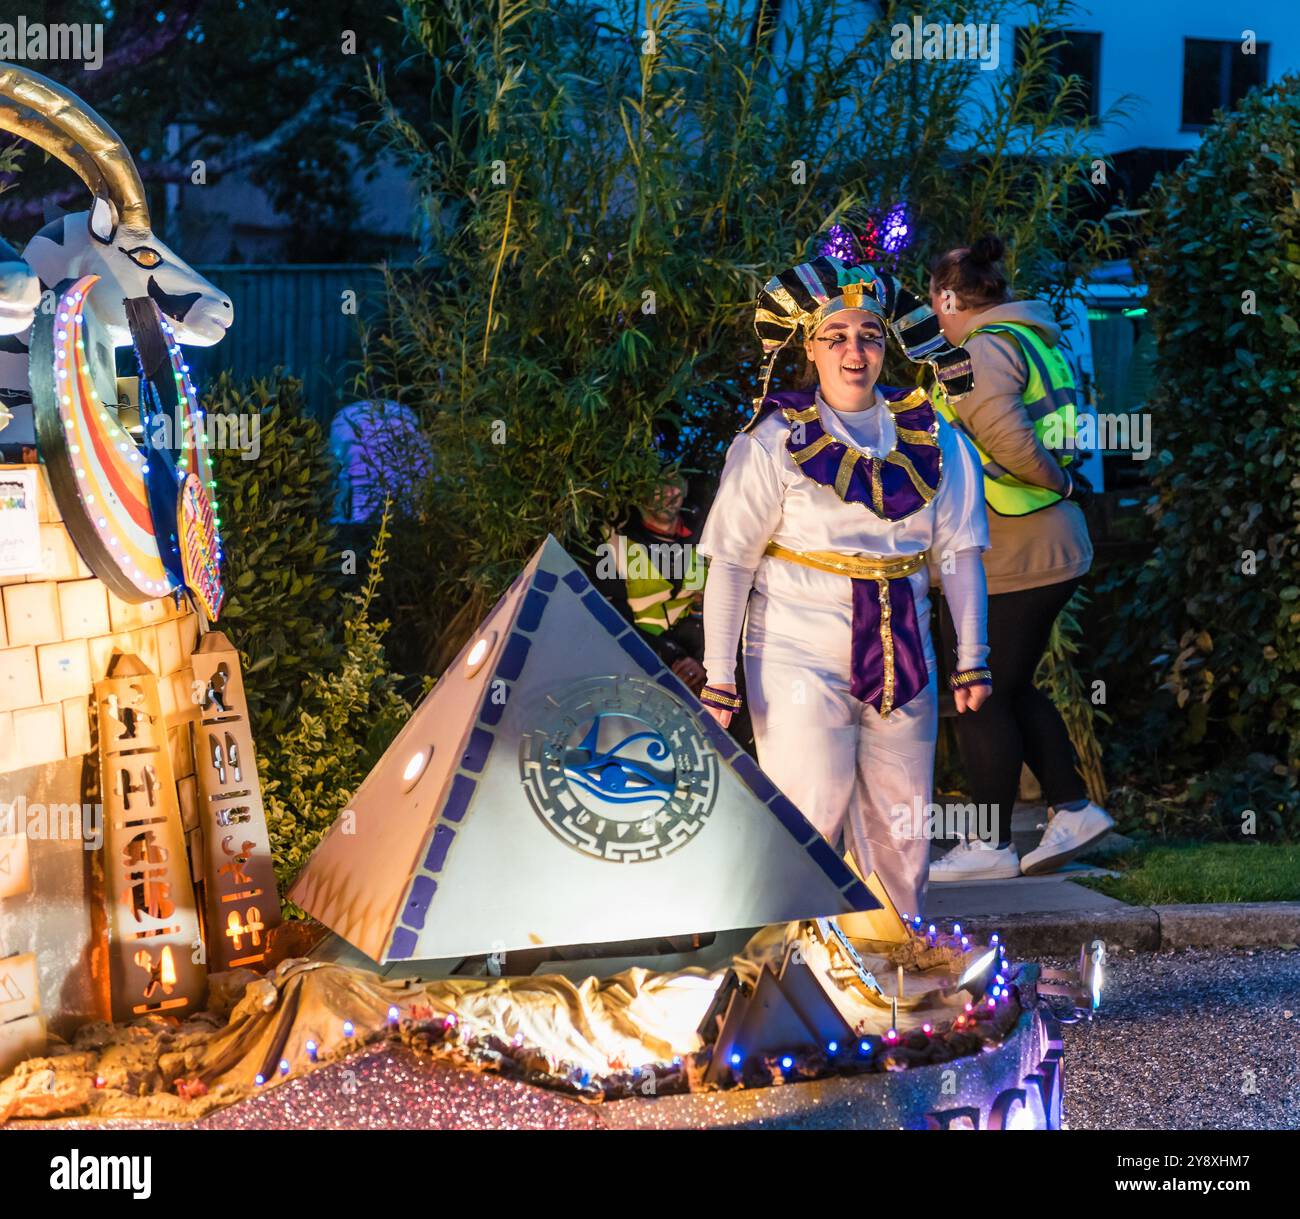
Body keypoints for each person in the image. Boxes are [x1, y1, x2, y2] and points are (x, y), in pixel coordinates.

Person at [696, 254, 990, 920]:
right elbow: (732, 560)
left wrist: (974, 658)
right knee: (810, 802)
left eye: (869, 335)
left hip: (905, 656)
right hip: (797, 649)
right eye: (837, 336)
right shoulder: (773, 441)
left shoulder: (936, 438)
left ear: (887, 345)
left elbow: (961, 553)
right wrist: (720, 679)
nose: (854, 350)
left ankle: (893, 971)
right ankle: (795, 968)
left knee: (903, 823)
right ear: (811, 347)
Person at [925, 234, 1114, 881]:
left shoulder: (973, 352)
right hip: (1051, 544)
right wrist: (1064, 482)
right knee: (1008, 686)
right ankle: (1073, 808)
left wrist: (1056, 481)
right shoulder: (1037, 340)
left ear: (948, 299)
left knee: (977, 692)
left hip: (1009, 550)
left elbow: (1006, 436)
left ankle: (990, 845)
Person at [590, 472, 756, 752]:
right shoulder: (614, 541)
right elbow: (608, 620)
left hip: (715, 662)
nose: (667, 491)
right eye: (656, 482)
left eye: (674, 479)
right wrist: (672, 658)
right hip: (649, 667)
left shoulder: (707, 530)